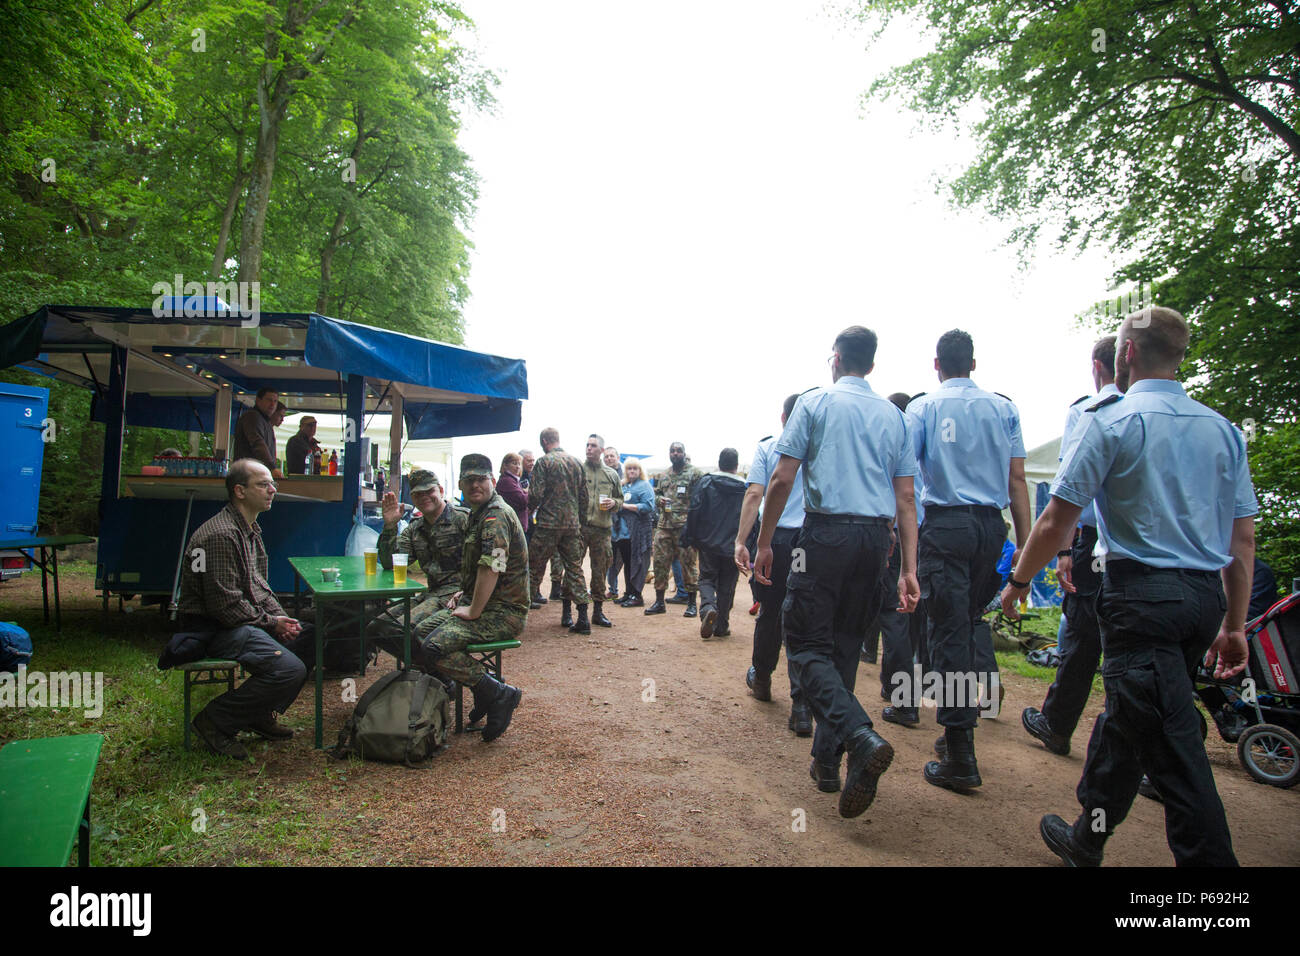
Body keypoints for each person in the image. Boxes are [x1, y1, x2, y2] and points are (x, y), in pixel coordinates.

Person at [1002, 306, 1255, 868]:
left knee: (1174, 748)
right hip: (1202, 603)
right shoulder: (1223, 432)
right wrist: (1234, 625)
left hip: (1142, 600)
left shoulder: (1109, 421)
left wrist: (1019, 580)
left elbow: (1056, 521)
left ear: (1128, 354)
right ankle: (1087, 837)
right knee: (1128, 717)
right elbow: (1242, 542)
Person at [755, 326, 919, 818]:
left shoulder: (814, 402)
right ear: (870, 364)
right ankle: (827, 764)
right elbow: (906, 497)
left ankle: (859, 737)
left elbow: (783, 477)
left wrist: (764, 542)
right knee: (845, 647)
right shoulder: (894, 416)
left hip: (824, 535)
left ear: (835, 359)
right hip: (876, 541)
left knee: (805, 645)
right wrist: (909, 568)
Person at [906, 329, 1031, 792]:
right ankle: (956, 734)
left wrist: (907, 545)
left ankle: (960, 750)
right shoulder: (1004, 408)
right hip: (990, 529)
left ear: (936, 364)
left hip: (946, 527)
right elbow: (1017, 481)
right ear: (973, 364)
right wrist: (1022, 544)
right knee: (965, 623)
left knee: (951, 634)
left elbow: (905, 478)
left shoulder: (923, 408)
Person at [1021, 335, 1120, 756]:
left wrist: (1062, 552)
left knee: (1081, 636)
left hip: (1093, 542)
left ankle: (1057, 724)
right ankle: (1143, 752)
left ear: (1097, 368)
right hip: (1154, 558)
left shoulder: (1088, 412)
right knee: (1137, 648)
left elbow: (1068, 497)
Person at [177, 458, 310, 759]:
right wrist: (272, 623)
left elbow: (258, 587)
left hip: (237, 622)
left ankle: (257, 714)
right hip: (210, 629)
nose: (272, 490)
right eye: (263, 484)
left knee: (308, 637)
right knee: (290, 669)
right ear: (239, 491)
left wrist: (282, 618)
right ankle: (214, 721)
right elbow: (225, 607)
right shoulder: (221, 535)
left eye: (271, 484)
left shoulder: (249, 529)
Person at [414, 454, 527, 742]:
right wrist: (465, 593)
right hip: (485, 604)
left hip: (504, 613)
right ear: (461, 483)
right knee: (420, 631)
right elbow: (480, 566)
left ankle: (498, 693)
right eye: (469, 480)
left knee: (433, 647)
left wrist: (474, 610)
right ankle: (484, 690)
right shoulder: (478, 512)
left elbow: (494, 565)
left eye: (481, 479)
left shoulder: (495, 515)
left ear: (492, 480)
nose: (475, 485)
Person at [736, 394, 811, 736]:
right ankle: (802, 704)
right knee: (806, 617)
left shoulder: (769, 447)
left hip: (776, 540)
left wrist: (742, 540)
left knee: (771, 608)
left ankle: (762, 676)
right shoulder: (820, 446)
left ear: (783, 417)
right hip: (810, 542)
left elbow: (754, 495)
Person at [368, 470, 469, 666]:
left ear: (440, 490)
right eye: (417, 494)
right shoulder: (415, 528)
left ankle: (439, 674)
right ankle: (430, 669)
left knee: (402, 628)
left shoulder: (464, 519)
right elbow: (392, 562)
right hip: (431, 594)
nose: (424, 497)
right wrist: (389, 526)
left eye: (429, 491)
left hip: (458, 595)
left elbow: (485, 561)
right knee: (376, 627)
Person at [873, 391, 928, 727]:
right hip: (935, 534)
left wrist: (890, 531)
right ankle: (894, 684)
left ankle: (905, 702)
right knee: (920, 619)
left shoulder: (900, 437)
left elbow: (902, 495)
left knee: (896, 615)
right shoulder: (930, 437)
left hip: (907, 534)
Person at [527, 427, 592, 633]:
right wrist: (579, 521)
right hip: (571, 525)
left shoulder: (543, 462)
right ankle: (583, 618)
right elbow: (584, 497)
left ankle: (516, 614)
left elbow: (535, 494)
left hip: (548, 524)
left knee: (534, 567)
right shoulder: (576, 462)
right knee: (575, 569)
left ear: (545, 441)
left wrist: (529, 508)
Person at [683, 448, 748, 640]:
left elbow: (694, 509)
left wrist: (691, 538)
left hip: (708, 542)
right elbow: (754, 517)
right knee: (727, 584)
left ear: (719, 463)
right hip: (734, 544)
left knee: (706, 579)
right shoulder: (746, 488)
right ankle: (722, 625)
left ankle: (708, 608)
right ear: (736, 466)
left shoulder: (706, 482)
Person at [646, 442, 704, 617]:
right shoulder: (664, 475)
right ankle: (659, 602)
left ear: (684, 453)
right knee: (660, 564)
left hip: (685, 528)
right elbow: (655, 494)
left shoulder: (695, 473)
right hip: (664, 526)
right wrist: (659, 500)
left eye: (678, 451)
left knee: (688, 565)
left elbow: (702, 497)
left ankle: (692, 603)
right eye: (672, 451)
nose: (675, 453)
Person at [580, 434, 624, 628]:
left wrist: (614, 503)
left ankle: (597, 612)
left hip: (602, 530)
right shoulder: (578, 470)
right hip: (579, 528)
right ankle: (569, 611)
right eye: (587, 445)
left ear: (602, 450)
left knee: (600, 570)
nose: (589, 448)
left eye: (593, 446)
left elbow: (620, 501)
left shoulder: (612, 474)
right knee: (573, 568)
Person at [613, 459, 656, 607]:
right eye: (629, 469)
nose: (632, 471)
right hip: (623, 532)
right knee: (627, 562)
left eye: (635, 469)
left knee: (637, 561)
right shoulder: (624, 485)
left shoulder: (644, 485)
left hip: (639, 531)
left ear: (640, 471)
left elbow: (649, 506)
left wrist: (625, 506)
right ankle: (628, 593)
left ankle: (637, 595)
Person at [231, 387, 284, 479]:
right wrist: (272, 467)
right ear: (258, 400)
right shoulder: (252, 416)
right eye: (269, 400)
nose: (272, 404)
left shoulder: (266, 421)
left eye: (275, 401)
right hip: (247, 475)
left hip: (256, 474)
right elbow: (257, 443)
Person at [497, 453, 530, 532]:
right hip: (514, 527)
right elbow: (523, 500)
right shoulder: (507, 481)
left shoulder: (514, 480)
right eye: (514, 463)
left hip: (517, 526)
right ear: (505, 465)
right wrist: (529, 492)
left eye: (519, 464)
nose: (518, 467)